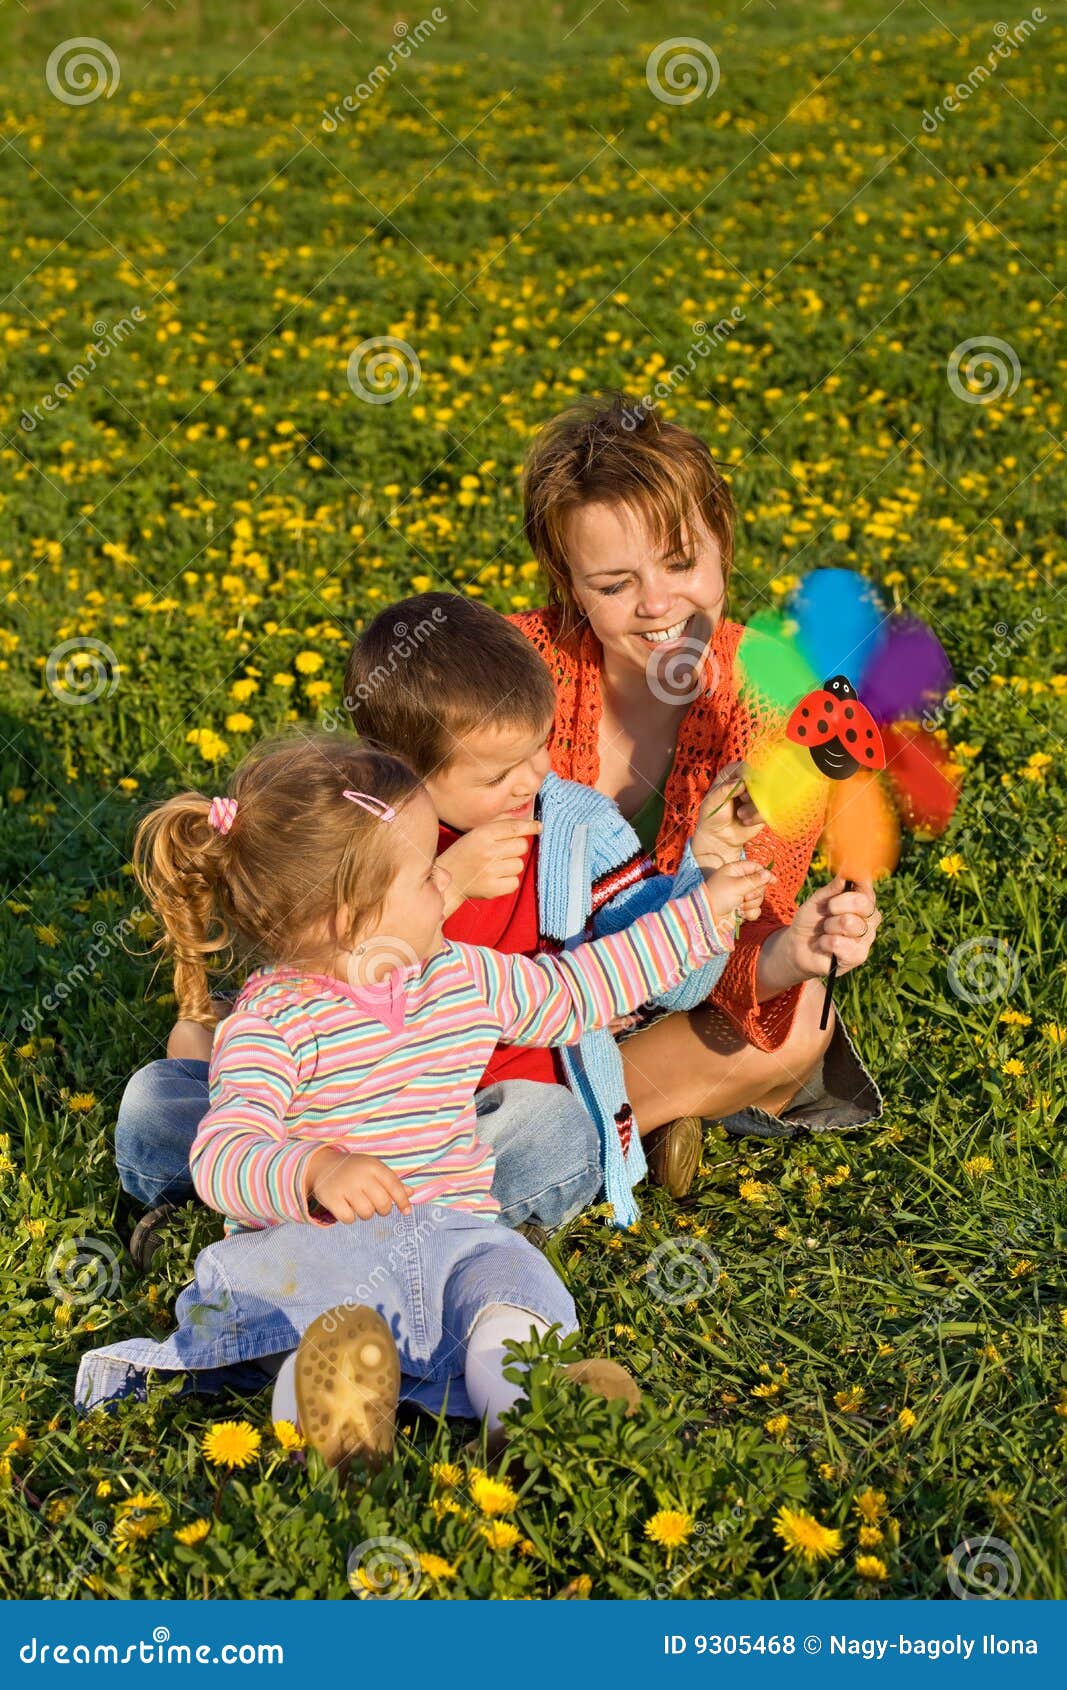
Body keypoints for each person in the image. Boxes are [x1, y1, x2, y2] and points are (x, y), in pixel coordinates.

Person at [75, 732, 770, 1466]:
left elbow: (580, 991)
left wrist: (701, 913)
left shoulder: (461, 973)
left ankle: (525, 1409)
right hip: (310, 1247)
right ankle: (323, 1418)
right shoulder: (272, 1021)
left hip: (449, 1235)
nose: (450, 883)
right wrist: (314, 1171)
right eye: (426, 878)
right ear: (350, 917)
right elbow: (223, 1153)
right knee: (312, 1327)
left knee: (506, 1282)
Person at [512, 392, 884, 1194]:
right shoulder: (514, 666)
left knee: (795, 1026)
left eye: (681, 563)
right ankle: (628, 1119)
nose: (657, 604)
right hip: (507, 982)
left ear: (722, 544)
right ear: (567, 584)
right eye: (613, 583)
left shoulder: (777, 705)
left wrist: (795, 950)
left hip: (667, 992)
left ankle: (535, 1137)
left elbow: (740, 939)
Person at [346, 590, 764, 1224]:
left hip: (512, 1107)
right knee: (175, 1093)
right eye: (495, 776)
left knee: (553, 1133)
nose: (533, 779)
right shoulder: (357, 843)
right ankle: (435, 1224)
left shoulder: (575, 828)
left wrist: (706, 868)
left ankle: (429, 1232)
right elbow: (340, 990)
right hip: (377, 1108)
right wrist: (447, 887)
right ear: (398, 774)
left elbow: (670, 984)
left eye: (540, 747)